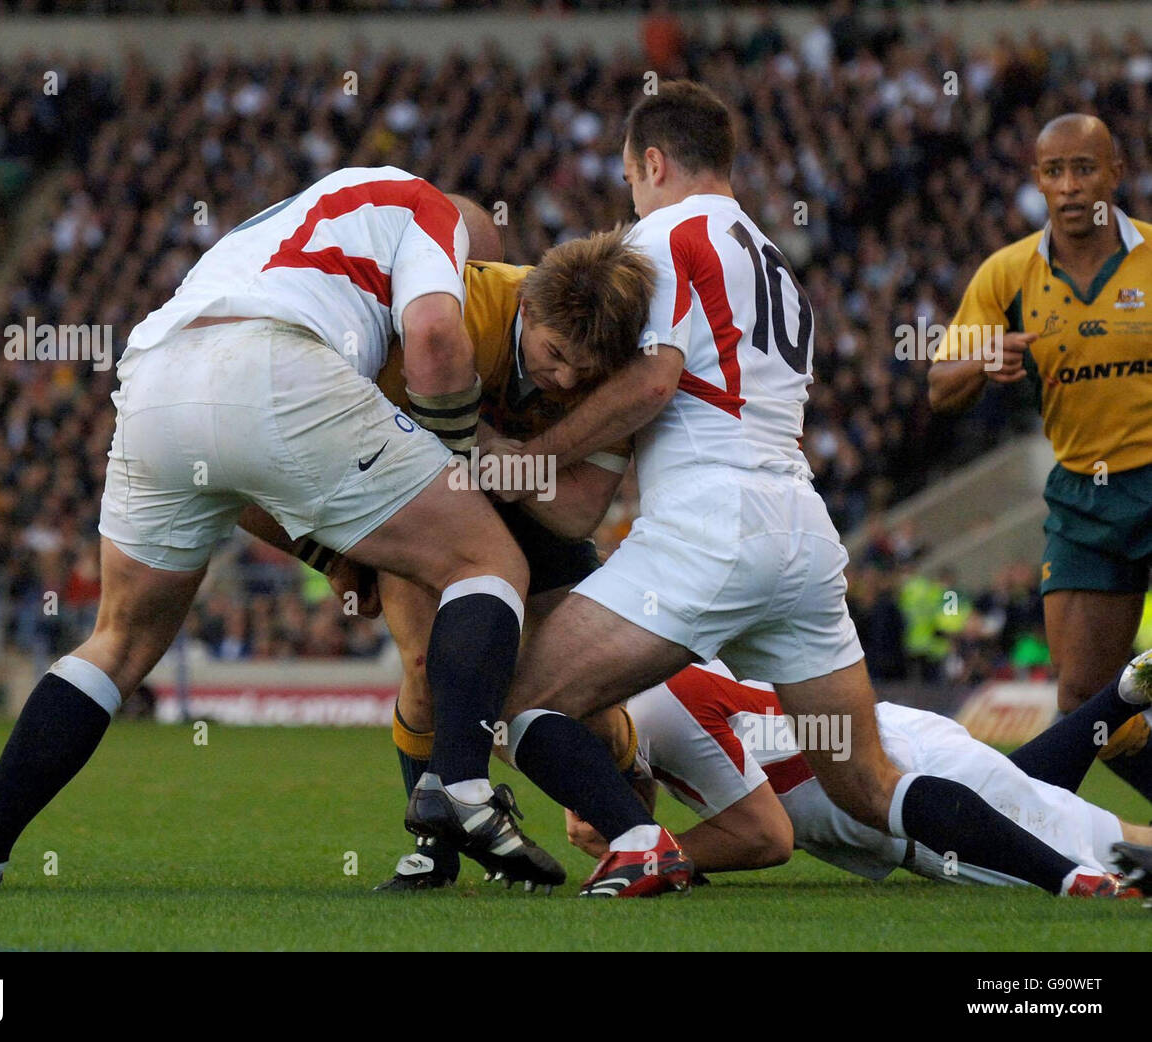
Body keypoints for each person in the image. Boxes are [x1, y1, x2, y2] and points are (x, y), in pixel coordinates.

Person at [488, 82, 1127, 899]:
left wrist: (528, 454)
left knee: (516, 699)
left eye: (629, 175)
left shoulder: (662, 234)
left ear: (651, 162)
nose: (629, 194)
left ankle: (640, 843)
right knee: (869, 780)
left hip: (711, 525)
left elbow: (653, 384)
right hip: (801, 532)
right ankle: (1070, 878)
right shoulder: (777, 262)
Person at [0, 167, 563, 891]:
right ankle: (461, 789)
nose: (476, 281)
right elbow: (434, 334)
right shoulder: (431, 213)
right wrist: (447, 470)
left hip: (156, 382)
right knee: (485, 559)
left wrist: (329, 551)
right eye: (475, 268)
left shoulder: (270, 228)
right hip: (274, 362)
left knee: (119, 639)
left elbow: (240, 479)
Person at [245, 226, 654, 890]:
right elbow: (370, 415)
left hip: (538, 521)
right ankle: (436, 849)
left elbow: (579, 513)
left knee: (566, 698)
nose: (567, 377)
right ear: (528, 307)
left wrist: (489, 452)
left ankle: (628, 755)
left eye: (585, 370)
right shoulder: (459, 307)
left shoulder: (619, 369)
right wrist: (481, 444)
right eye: (555, 355)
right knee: (424, 667)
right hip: (425, 496)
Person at [928, 113, 1152, 802]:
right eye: (1053, 171)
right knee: (1086, 698)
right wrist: (982, 360)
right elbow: (940, 387)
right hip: (1085, 496)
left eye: (1085, 168)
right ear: (1037, 182)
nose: (1070, 185)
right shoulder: (1008, 273)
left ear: (1115, 174)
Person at [565, 656, 1152, 893]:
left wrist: (652, 853)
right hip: (900, 744)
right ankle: (1122, 694)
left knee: (1119, 853)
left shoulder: (663, 711)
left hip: (908, 787)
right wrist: (621, 823)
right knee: (1029, 805)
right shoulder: (648, 680)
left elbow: (766, 838)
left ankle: (1078, 882)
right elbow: (639, 762)